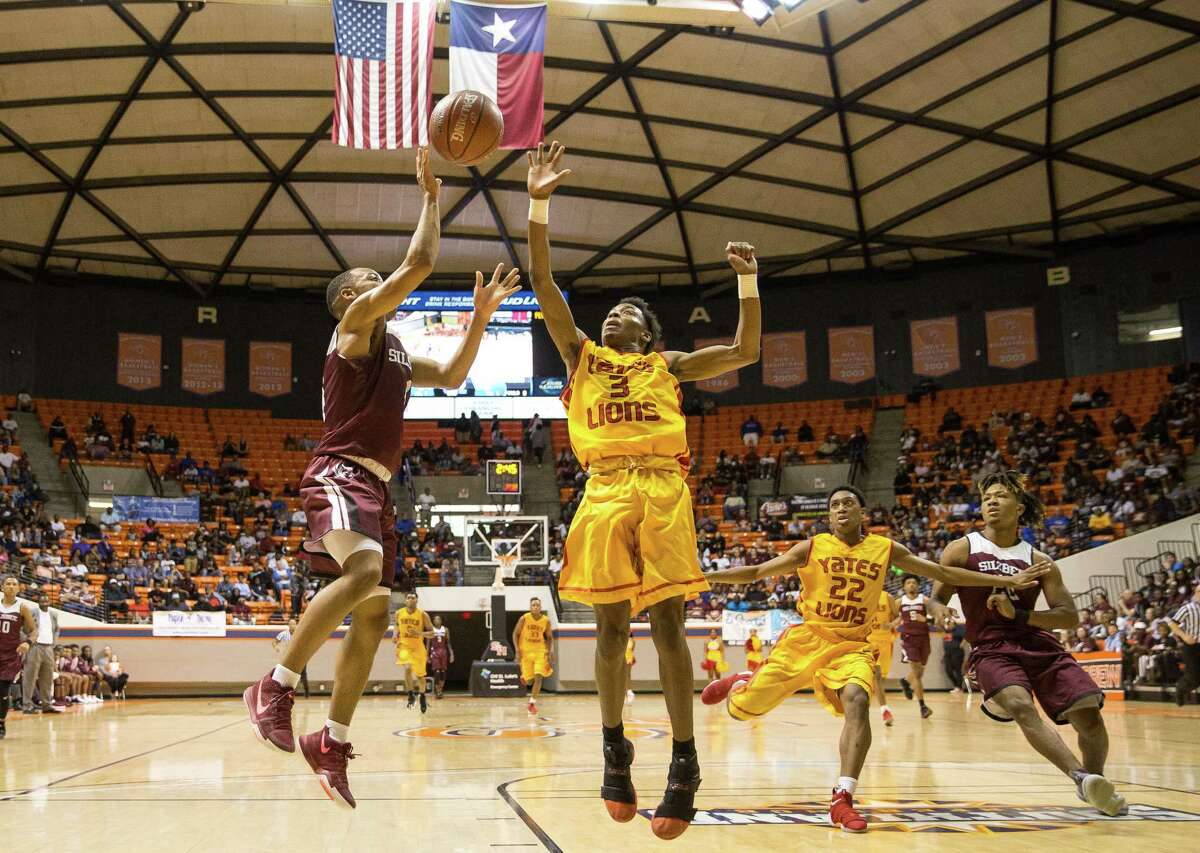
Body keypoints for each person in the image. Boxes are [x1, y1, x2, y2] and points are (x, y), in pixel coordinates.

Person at [242, 148, 520, 810]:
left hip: (376, 488)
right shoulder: (353, 328)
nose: (379, 286)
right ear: (349, 297)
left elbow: (451, 377)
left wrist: (479, 318)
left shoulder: (394, 350)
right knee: (364, 573)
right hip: (337, 471)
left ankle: (330, 739)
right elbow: (418, 265)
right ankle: (275, 685)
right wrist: (430, 196)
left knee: (373, 619)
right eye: (368, 280)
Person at [526, 140, 763, 840]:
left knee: (666, 625)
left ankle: (684, 762)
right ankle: (613, 747)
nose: (612, 318)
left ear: (648, 331)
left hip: (661, 488)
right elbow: (543, 282)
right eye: (609, 314)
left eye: (626, 313)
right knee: (606, 627)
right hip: (602, 490)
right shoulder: (582, 357)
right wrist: (539, 200)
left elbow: (747, 351)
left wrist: (747, 283)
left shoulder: (671, 363)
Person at [700, 485, 1049, 833]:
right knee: (741, 711)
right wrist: (707, 577)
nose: (841, 509)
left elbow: (943, 574)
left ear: (861, 512)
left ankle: (843, 796)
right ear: (829, 515)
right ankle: (743, 681)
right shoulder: (812, 546)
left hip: (853, 644)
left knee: (857, 699)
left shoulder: (884, 549)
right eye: (834, 505)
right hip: (808, 638)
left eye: (848, 503)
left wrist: (1003, 579)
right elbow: (757, 572)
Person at [934, 471, 1127, 817]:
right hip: (991, 648)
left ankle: (1096, 784)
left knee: (1089, 714)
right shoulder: (962, 548)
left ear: (1020, 507)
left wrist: (1021, 616)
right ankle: (1081, 777)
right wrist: (939, 612)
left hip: (1038, 643)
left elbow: (1068, 616)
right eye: (987, 497)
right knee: (1022, 706)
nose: (991, 501)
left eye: (1001, 496)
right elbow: (937, 596)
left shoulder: (1039, 560)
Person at [897, 574, 944, 719]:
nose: (911, 585)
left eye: (914, 583)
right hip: (908, 639)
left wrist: (926, 620)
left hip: (924, 639)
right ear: (904, 586)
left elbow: (937, 619)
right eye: (908, 583)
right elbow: (893, 617)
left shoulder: (925, 600)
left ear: (918, 586)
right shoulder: (899, 602)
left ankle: (906, 681)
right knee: (917, 673)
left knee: (920, 672)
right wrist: (889, 626)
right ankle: (922, 706)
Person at [0, 575, 36, 738]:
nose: (11, 586)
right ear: (2, 587)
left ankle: (1, 724)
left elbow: (34, 631)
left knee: (2, 691)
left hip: (10, 655)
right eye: (8, 584)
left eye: (14, 584)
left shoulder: (22, 607)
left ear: (19, 588)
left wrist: (28, 642)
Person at [21, 592, 62, 714]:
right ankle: (27, 705)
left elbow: (56, 629)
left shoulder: (53, 614)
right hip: (35, 647)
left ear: (49, 602)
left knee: (47, 679)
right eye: (42, 601)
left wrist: (54, 643)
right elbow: (21, 629)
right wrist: (27, 641)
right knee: (30, 678)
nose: (44, 603)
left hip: (49, 648)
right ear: (38, 602)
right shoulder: (32, 612)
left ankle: (47, 705)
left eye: (46, 601)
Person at [513, 597, 554, 716]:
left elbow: (550, 637)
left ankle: (532, 703)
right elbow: (515, 634)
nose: (535, 607)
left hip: (540, 651)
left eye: (537, 605)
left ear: (540, 607)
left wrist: (550, 651)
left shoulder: (546, 620)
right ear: (530, 607)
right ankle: (524, 677)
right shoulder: (524, 618)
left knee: (539, 676)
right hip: (525, 651)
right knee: (530, 682)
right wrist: (516, 650)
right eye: (533, 605)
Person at [395, 592, 434, 713]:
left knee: (420, 676)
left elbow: (432, 633)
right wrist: (395, 635)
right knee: (407, 668)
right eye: (408, 598)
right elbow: (396, 625)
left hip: (418, 648)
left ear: (417, 600)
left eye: (413, 598)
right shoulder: (398, 613)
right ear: (405, 600)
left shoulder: (423, 614)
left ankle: (422, 696)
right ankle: (411, 694)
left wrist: (419, 634)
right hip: (404, 646)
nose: (411, 599)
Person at [866, 589, 899, 727]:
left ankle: (882, 708)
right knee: (876, 675)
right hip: (867, 641)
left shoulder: (887, 597)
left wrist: (891, 625)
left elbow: (899, 616)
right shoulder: (863, 594)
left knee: (879, 679)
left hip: (885, 642)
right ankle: (884, 709)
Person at [1166, 585, 1200, 705]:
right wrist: (1184, 636)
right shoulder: (1188, 608)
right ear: (1196, 593)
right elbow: (1172, 624)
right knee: (1194, 678)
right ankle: (1180, 689)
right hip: (1192, 646)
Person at [272, 619, 309, 699]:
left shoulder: (300, 633)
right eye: (291, 624)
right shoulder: (283, 634)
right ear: (288, 625)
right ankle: (288, 693)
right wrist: (276, 647)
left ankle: (306, 691)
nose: (293, 626)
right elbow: (275, 641)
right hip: (289, 658)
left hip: (301, 657)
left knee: (303, 675)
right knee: (289, 675)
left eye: (294, 624)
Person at [429, 615, 453, 699]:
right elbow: (428, 643)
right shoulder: (431, 629)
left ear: (441, 621)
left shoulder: (445, 629)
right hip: (435, 651)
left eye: (438, 619)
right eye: (435, 619)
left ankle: (441, 690)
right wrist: (427, 655)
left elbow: (448, 643)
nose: (437, 620)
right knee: (437, 671)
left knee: (443, 672)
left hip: (443, 651)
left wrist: (451, 654)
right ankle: (437, 690)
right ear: (433, 621)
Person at [624, 635, 636, 705]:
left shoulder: (631, 641)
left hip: (628, 658)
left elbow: (629, 649)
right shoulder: (632, 641)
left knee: (626, 676)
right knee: (626, 676)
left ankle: (629, 692)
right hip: (628, 658)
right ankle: (628, 693)